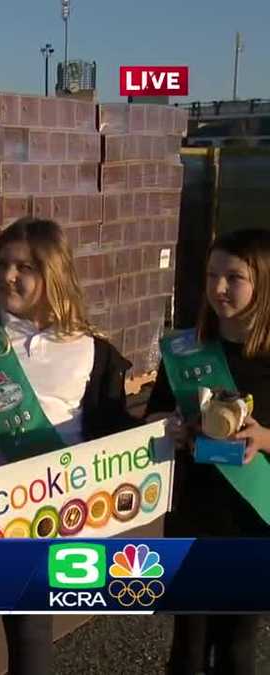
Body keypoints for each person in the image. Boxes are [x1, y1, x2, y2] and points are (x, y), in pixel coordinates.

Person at [0, 217, 135, 675]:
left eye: (24, 267)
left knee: (31, 639)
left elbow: (110, 430)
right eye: (1, 264)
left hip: (50, 513)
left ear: (54, 274)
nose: (8, 276)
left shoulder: (93, 351)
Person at [144, 228, 270, 675]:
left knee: (237, 648)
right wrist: (170, 426)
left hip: (254, 518)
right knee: (188, 648)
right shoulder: (185, 349)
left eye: (234, 277)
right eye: (212, 275)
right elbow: (155, 412)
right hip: (195, 512)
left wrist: (265, 438)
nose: (218, 287)